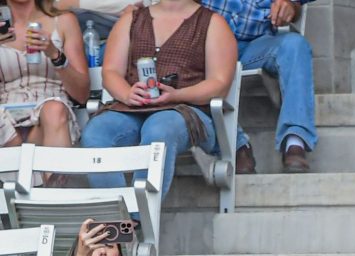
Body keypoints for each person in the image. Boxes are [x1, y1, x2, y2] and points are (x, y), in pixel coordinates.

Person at [80, 0, 236, 192]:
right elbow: (111, 72)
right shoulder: (132, 19)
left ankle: (140, 217)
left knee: (159, 128)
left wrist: (178, 95)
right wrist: (127, 93)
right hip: (132, 109)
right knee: (97, 131)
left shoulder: (212, 22)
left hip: (187, 112)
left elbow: (219, 84)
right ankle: (119, 218)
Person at [200, 0, 317, 171]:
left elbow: (295, 6)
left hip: (255, 46)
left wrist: (291, 4)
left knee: (295, 45)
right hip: (207, 46)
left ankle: (294, 140)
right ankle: (238, 146)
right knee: (181, 62)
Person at [0, 1, 88, 148]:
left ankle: (51, 170)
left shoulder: (63, 21)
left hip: (50, 115)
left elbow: (82, 94)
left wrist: (54, 54)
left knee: (54, 110)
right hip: (5, 121)